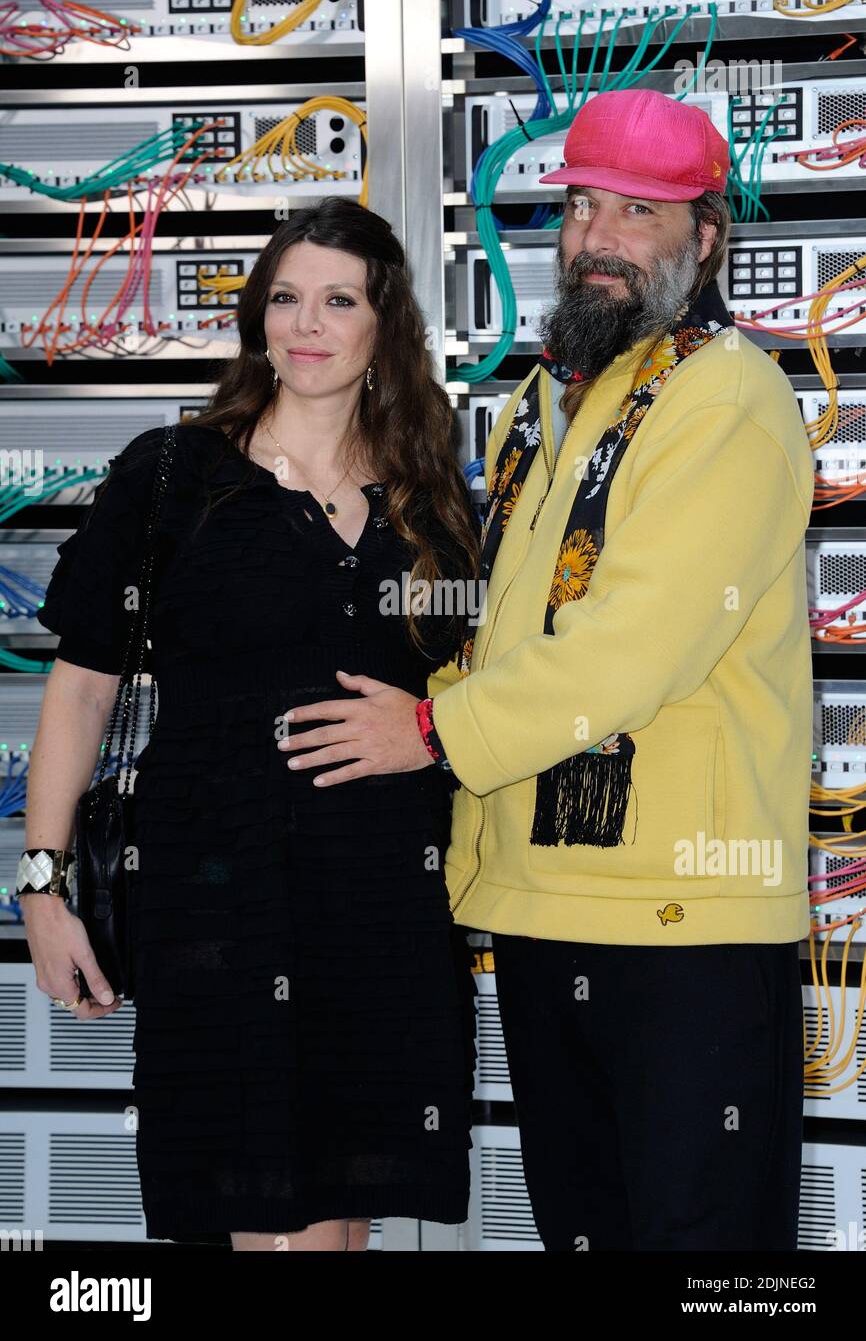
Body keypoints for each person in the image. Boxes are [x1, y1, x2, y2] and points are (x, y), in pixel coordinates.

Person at [281, 90, 816, 1251]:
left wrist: (426, 733)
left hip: (684, 928)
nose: (597, 238)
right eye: (580, 206)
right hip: (544, 904)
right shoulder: (553, 397)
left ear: (705, 240)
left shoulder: (723, 394)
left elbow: (631, 646)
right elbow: (502, 622)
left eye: (638, 212)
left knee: (700, 1248)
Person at [20, 197, 480, 1251]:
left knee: (341, 1209)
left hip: (380, 901)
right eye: (284, 298)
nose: (304, 324)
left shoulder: (429, 502)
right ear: (255, 317)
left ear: (384, 328)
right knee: (246, 1202)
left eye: (336, 300)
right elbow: (83, 684)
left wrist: (429, 723)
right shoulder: (173, 475)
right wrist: (43, 889)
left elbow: (479, 680)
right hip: (217, 896)